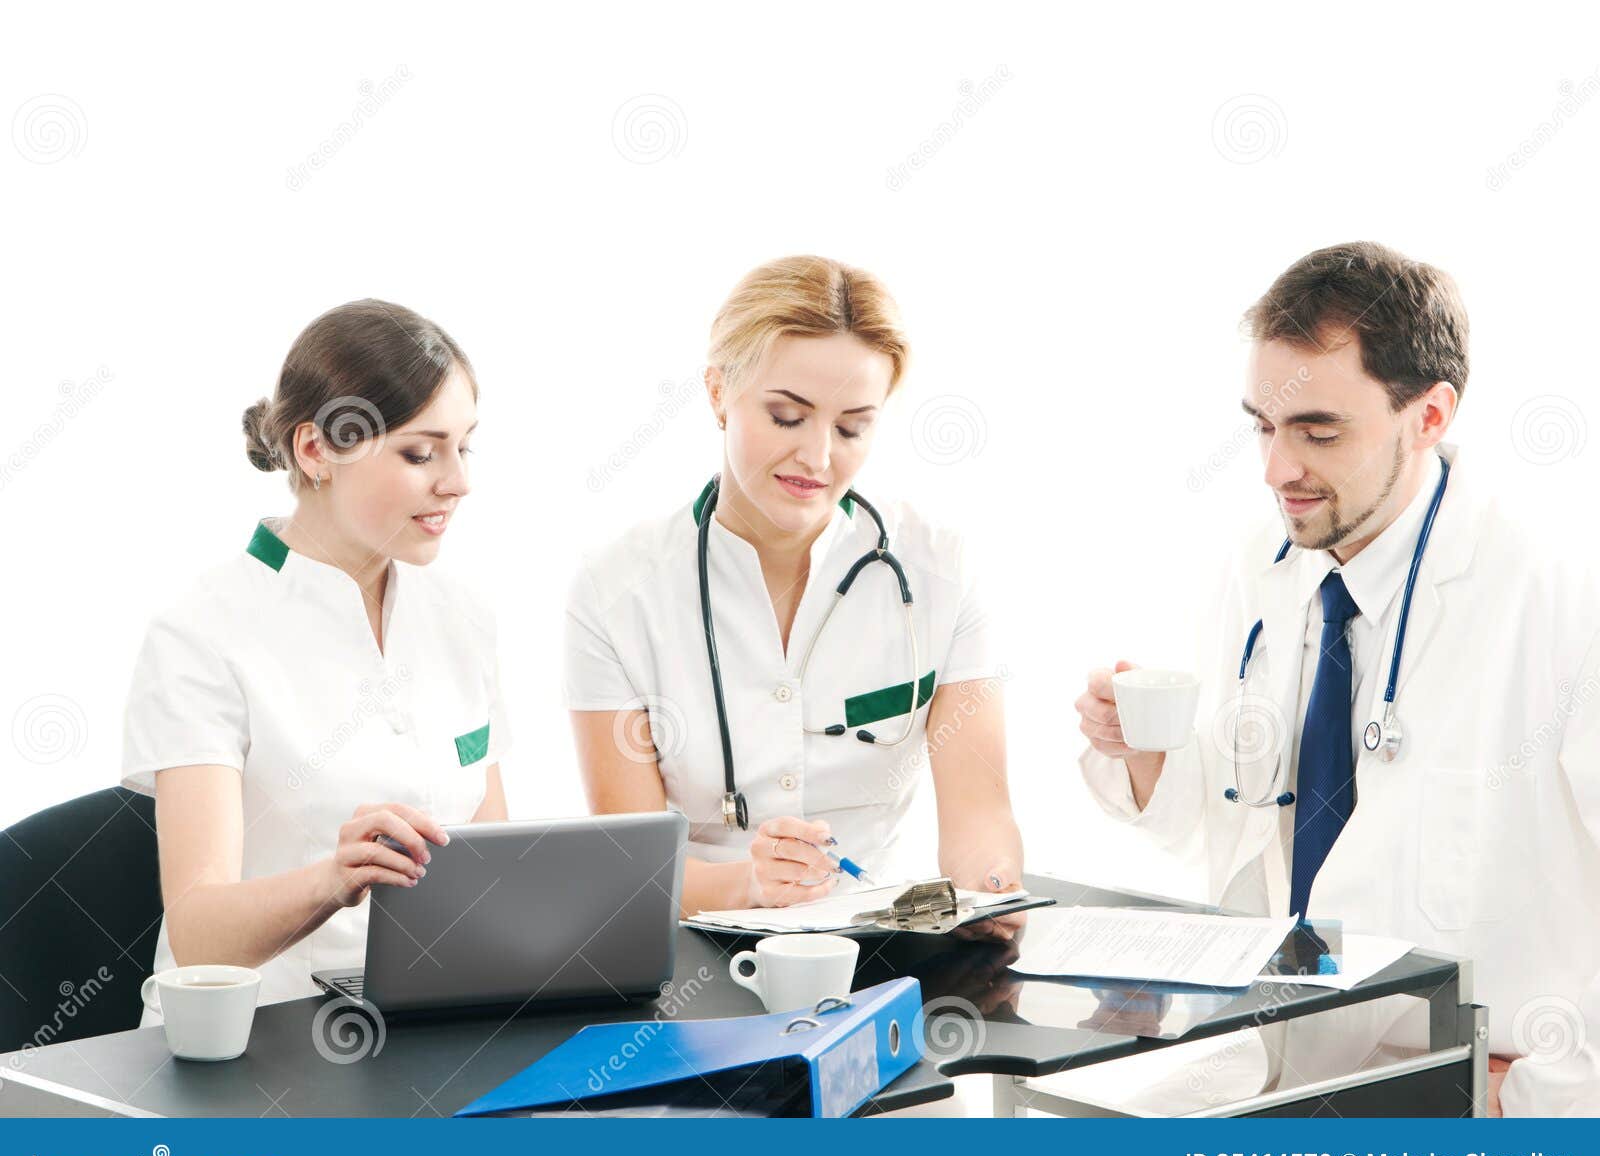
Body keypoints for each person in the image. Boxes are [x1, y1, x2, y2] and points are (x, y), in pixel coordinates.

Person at [1074, 241, 1600, 1117]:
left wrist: (1558, 1090)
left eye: (1319, 431)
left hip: (1481, 1092)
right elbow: (1241, 822)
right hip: (1277, 1051)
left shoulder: (1558, 596)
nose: (1279, 470)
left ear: (1429, 416)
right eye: (1264, 426)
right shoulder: (1264, 564)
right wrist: (1147, 759)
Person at [566, 255, 1022, 925]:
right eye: (787, 416)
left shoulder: (939, 572)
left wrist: (994, 893)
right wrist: (745, 886)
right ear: (719, 392)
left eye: (851, 428)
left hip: (885, 954)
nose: (817, 457)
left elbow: (980, 818)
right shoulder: (618, 593)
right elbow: (630, 868)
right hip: (698, 959)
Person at [122, 299, 508, 1017]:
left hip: (432, 1022)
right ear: (315, 451)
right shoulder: (201, 636)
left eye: (465, 446)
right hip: (257, 1039)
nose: (458, 481)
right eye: (421, 453)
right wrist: (334, 877)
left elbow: (497, 868)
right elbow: (199, 933)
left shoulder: (461, 615)